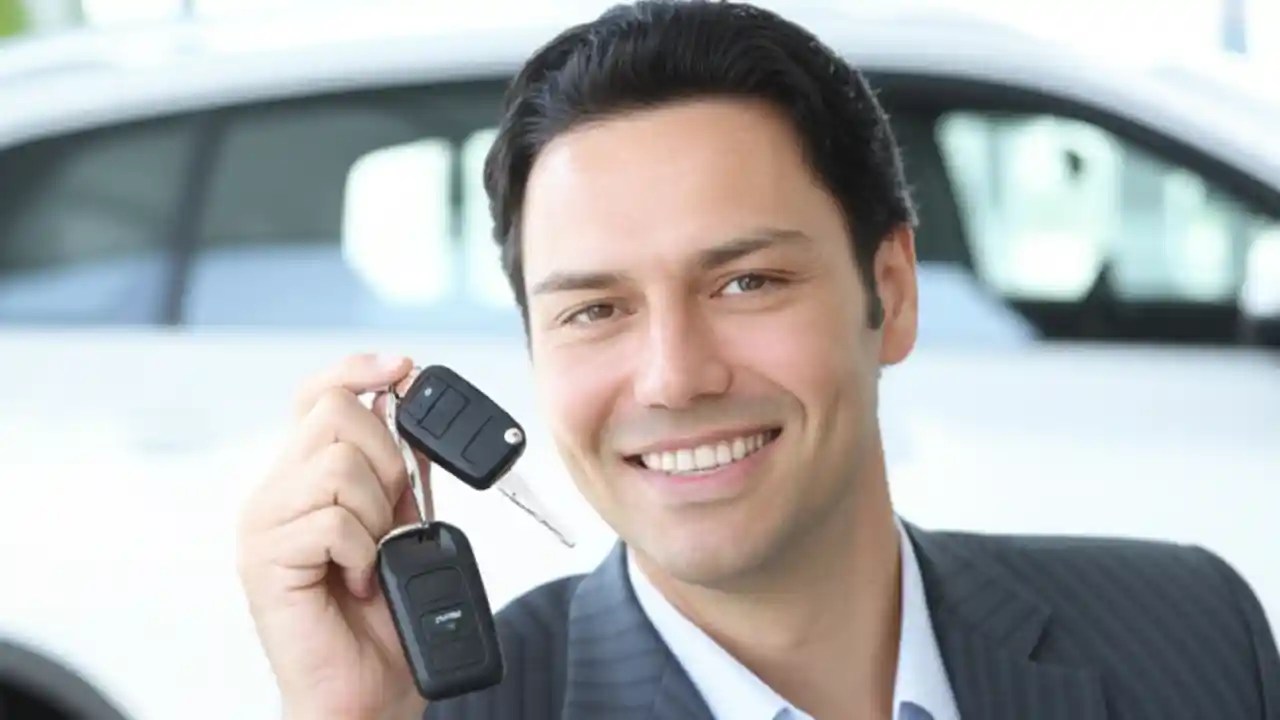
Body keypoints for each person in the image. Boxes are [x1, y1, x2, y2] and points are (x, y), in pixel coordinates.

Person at [235, 2, 1280, 719]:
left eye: (745, 284)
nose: (672, 376)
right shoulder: (450, 716)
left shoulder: (1189, 633)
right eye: (594, 309)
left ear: (893, 292)